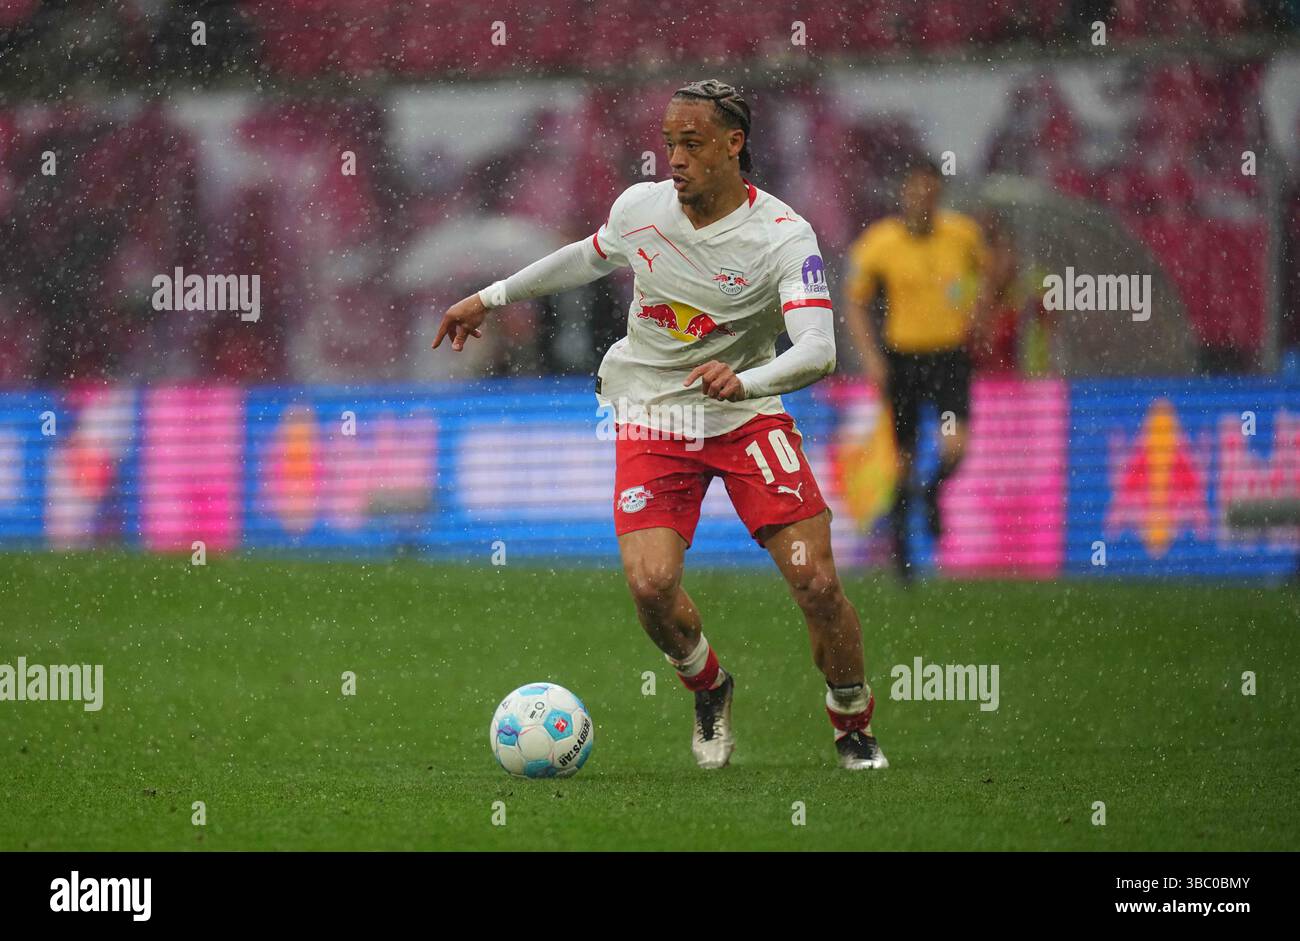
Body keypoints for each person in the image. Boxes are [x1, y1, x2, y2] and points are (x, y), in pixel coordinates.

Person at [433, 79, 886, 771]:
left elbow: (819, 349)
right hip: (655, 412)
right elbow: (586, 256)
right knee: (649, 585)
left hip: (745, 414)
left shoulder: (783, 238)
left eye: (692, 144)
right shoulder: (642, 210)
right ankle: (709, 685)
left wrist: (748, 380)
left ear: (734, 145)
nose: (674, 158)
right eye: (670, 143)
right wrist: (491, 297)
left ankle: (851, 720)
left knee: (817, 582)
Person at [843, 156, 989, 581]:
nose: (922, 199)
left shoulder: (961, 235)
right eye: (914, 191)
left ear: (938, 194)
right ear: (903, 194)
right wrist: (871, 357)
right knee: (903, 458)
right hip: (902, 360)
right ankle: (902, 552)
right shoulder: (879, 243)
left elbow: (984, 273)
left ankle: (932, 492)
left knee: (954, 447)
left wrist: (978, 313)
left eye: (930, 191)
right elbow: (855, 300)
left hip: (949, 358)